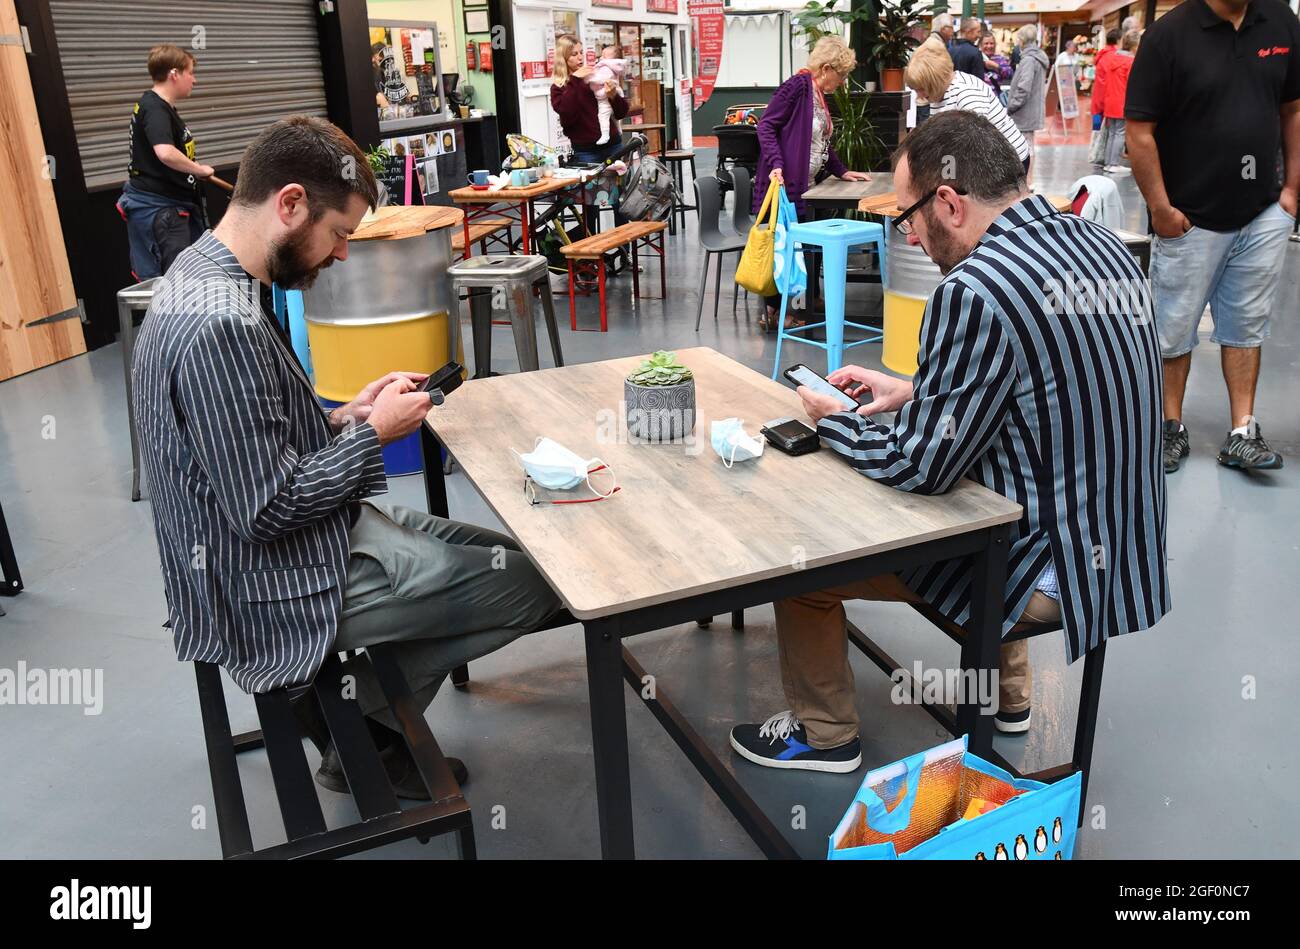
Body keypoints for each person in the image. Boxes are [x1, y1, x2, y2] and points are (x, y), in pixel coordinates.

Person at [131, 116, 563, 798]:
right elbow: (265, 506)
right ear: (291, 203)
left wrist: (346, 415)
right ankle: (360, 729)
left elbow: (245, 440)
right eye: (338, 234)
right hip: (263, 583)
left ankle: (356, 725)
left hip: (286, 546)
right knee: (542, 584)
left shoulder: (203, 273)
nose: (339, 256)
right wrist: (375, 435)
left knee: (513, 557)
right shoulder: (217, 323)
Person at [728, 111, 1169, 771]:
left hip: (1039, 576)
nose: (910, 238)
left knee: (803, 562)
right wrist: (914, 388)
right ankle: (1011, 695)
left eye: (907, 220)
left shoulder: (976, 289)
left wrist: (833, 418)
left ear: (949, 202)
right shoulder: (1099, 245)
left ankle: (824, 736)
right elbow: (1047, 381)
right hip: (1120, 557)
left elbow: (919, 464)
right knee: (1004, 486)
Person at [1126, 0, 1297, 473]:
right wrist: (1162, 210)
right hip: (1190, 217)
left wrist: (1291, 195)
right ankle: (1168, 426)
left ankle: (1242, 430)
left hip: (1262, 214)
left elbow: (1293, 109)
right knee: (1173, 329)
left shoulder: (1281, 22)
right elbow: (1139, 133)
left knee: (1246, 326)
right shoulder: (1168, 36)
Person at [753, 35, 871, 330]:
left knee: (801, 247)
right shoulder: (797, 87)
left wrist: (841, 170)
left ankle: (806, 299)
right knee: (783, 249)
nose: (842, 82)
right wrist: (777, 165)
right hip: (784, 185)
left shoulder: (817, 95)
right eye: (841, 75)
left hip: (805, 186)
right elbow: (766, 125)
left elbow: (819, 143)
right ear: (827, 67)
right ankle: (777, 313)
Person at [117, 45, 213, 281]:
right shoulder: (154, 108)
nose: (195, 80)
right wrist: (198, 169)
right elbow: (165, 153)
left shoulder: (160, 107)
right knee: (177, 283)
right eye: (190, 72)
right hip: (161, 210)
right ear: (174, 74)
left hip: (170, 205)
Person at [906, 37, 1029, 172]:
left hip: (1007, 162)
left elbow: (973, 147)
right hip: (984, 157)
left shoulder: (967, 93)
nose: (919, 95)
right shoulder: (938, 93)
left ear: (934, 81)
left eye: (921, 89)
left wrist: (946, 175)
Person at [550, 33, 628, 166]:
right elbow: (568, 114)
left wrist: (613, 95)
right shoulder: (558, 87)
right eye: (574, 54)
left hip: (613, 146)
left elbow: (621, 113)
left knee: (621, 186)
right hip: (586, 152)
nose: (580, 57)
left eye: (581, 52)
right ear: (563, 58)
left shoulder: (595, 77)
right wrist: (575, 80)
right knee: (591, 187)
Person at [1005, 24, 1050, 184]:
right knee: (1028, 145)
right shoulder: (1037, 58)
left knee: (1024, 147)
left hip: (1024, 113)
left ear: (1022, 40)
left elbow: (1024, 87)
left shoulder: (1028, 60)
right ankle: (1027, 180)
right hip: (1031, 111)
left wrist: (1011, 106)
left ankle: (1026, 181)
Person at [1096, 30, 1139, 174]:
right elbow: (1132, 84)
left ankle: (1108, 162)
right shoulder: (1131, 62)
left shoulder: (1113, 59)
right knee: (1120, 133)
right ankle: (1114, 163)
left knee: (1113, 132)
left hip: (1110, 102)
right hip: (1122, 102)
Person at [1089, 28, 1122, 166]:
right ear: (1118, 41)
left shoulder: (1103, 54)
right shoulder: (1113, 56)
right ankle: (1099, 157)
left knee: (1096, 129)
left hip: (1097, 101)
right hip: (1105, 101)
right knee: (1107, 132)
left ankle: (1095, 155)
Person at [591, 45, 627, 146]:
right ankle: (618, 130)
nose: (601, 58)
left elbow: (601, 79)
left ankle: (605, 135)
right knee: (614, 117)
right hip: (613, 93)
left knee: (603, 116)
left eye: (604, 56)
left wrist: (589, 78)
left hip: (605, 96)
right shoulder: (613, 67)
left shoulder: (606, 67)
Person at [980, 33, 1013, 104]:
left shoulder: (1000, 59)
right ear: (981, 45)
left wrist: (996, 66)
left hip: (996, 100)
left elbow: (1010, 74)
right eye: (986, 43)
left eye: (991, 43)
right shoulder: (976, 58)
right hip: (980, 99)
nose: (989, 46)